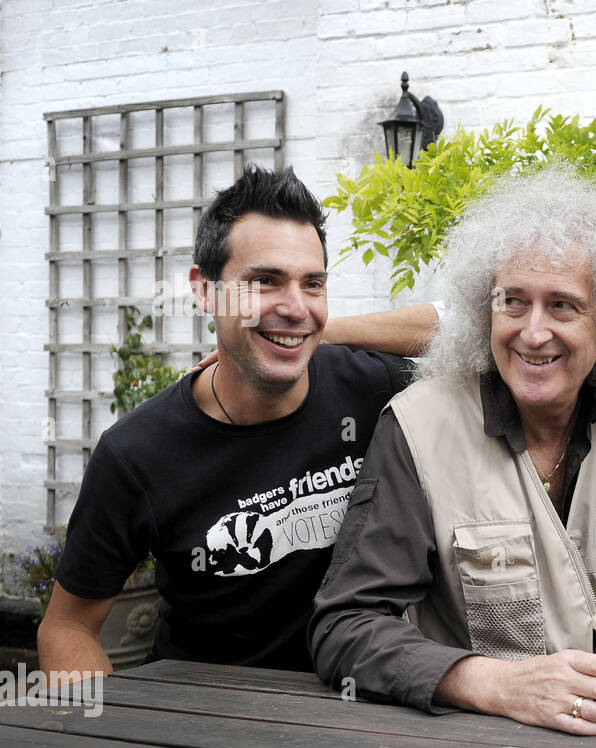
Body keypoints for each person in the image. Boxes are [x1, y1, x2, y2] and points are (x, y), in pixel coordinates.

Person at [310, 167, 596, 736]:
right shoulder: (419, 427)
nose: (533, 333)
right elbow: (346, 627)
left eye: (563, 306)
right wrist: (496, 685)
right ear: (486, 310)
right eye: (513, 302)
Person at [38, 165, 436, 679]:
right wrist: (112, 738)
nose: (293, 305)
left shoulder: (370, 387)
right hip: (207, 719)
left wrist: (319, 329)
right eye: (264, 281)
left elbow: (476, 325)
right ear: (205, 291)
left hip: (354, 702)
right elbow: (66, 627)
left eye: (312, 283)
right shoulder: (137, 454)